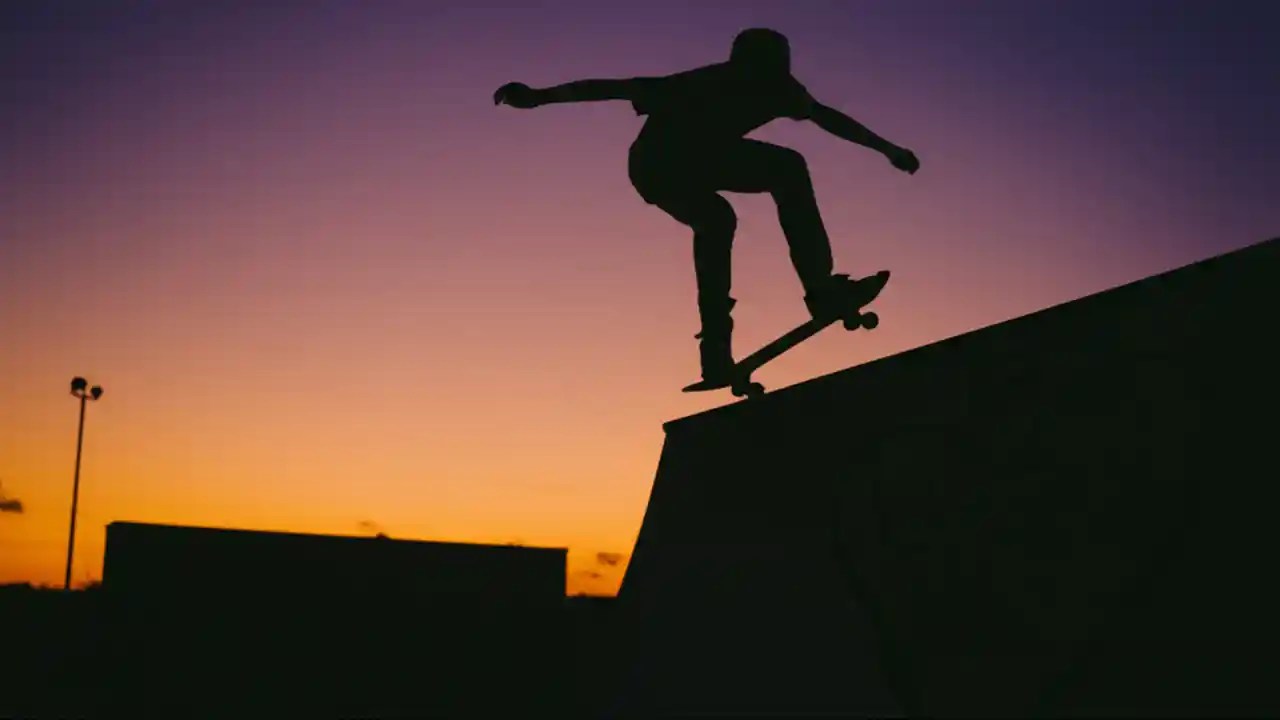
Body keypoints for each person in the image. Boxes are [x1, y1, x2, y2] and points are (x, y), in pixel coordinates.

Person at [495, 27, 920, 386]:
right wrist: (538, 97)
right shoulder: (706, 81)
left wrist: (887, 149)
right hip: (657, 165)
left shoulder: (781, 90)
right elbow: (610, 88)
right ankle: (746, 325)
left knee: (760, 188)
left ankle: (783, 310)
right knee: (732, 207)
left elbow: (828, 118)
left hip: (698, 160)